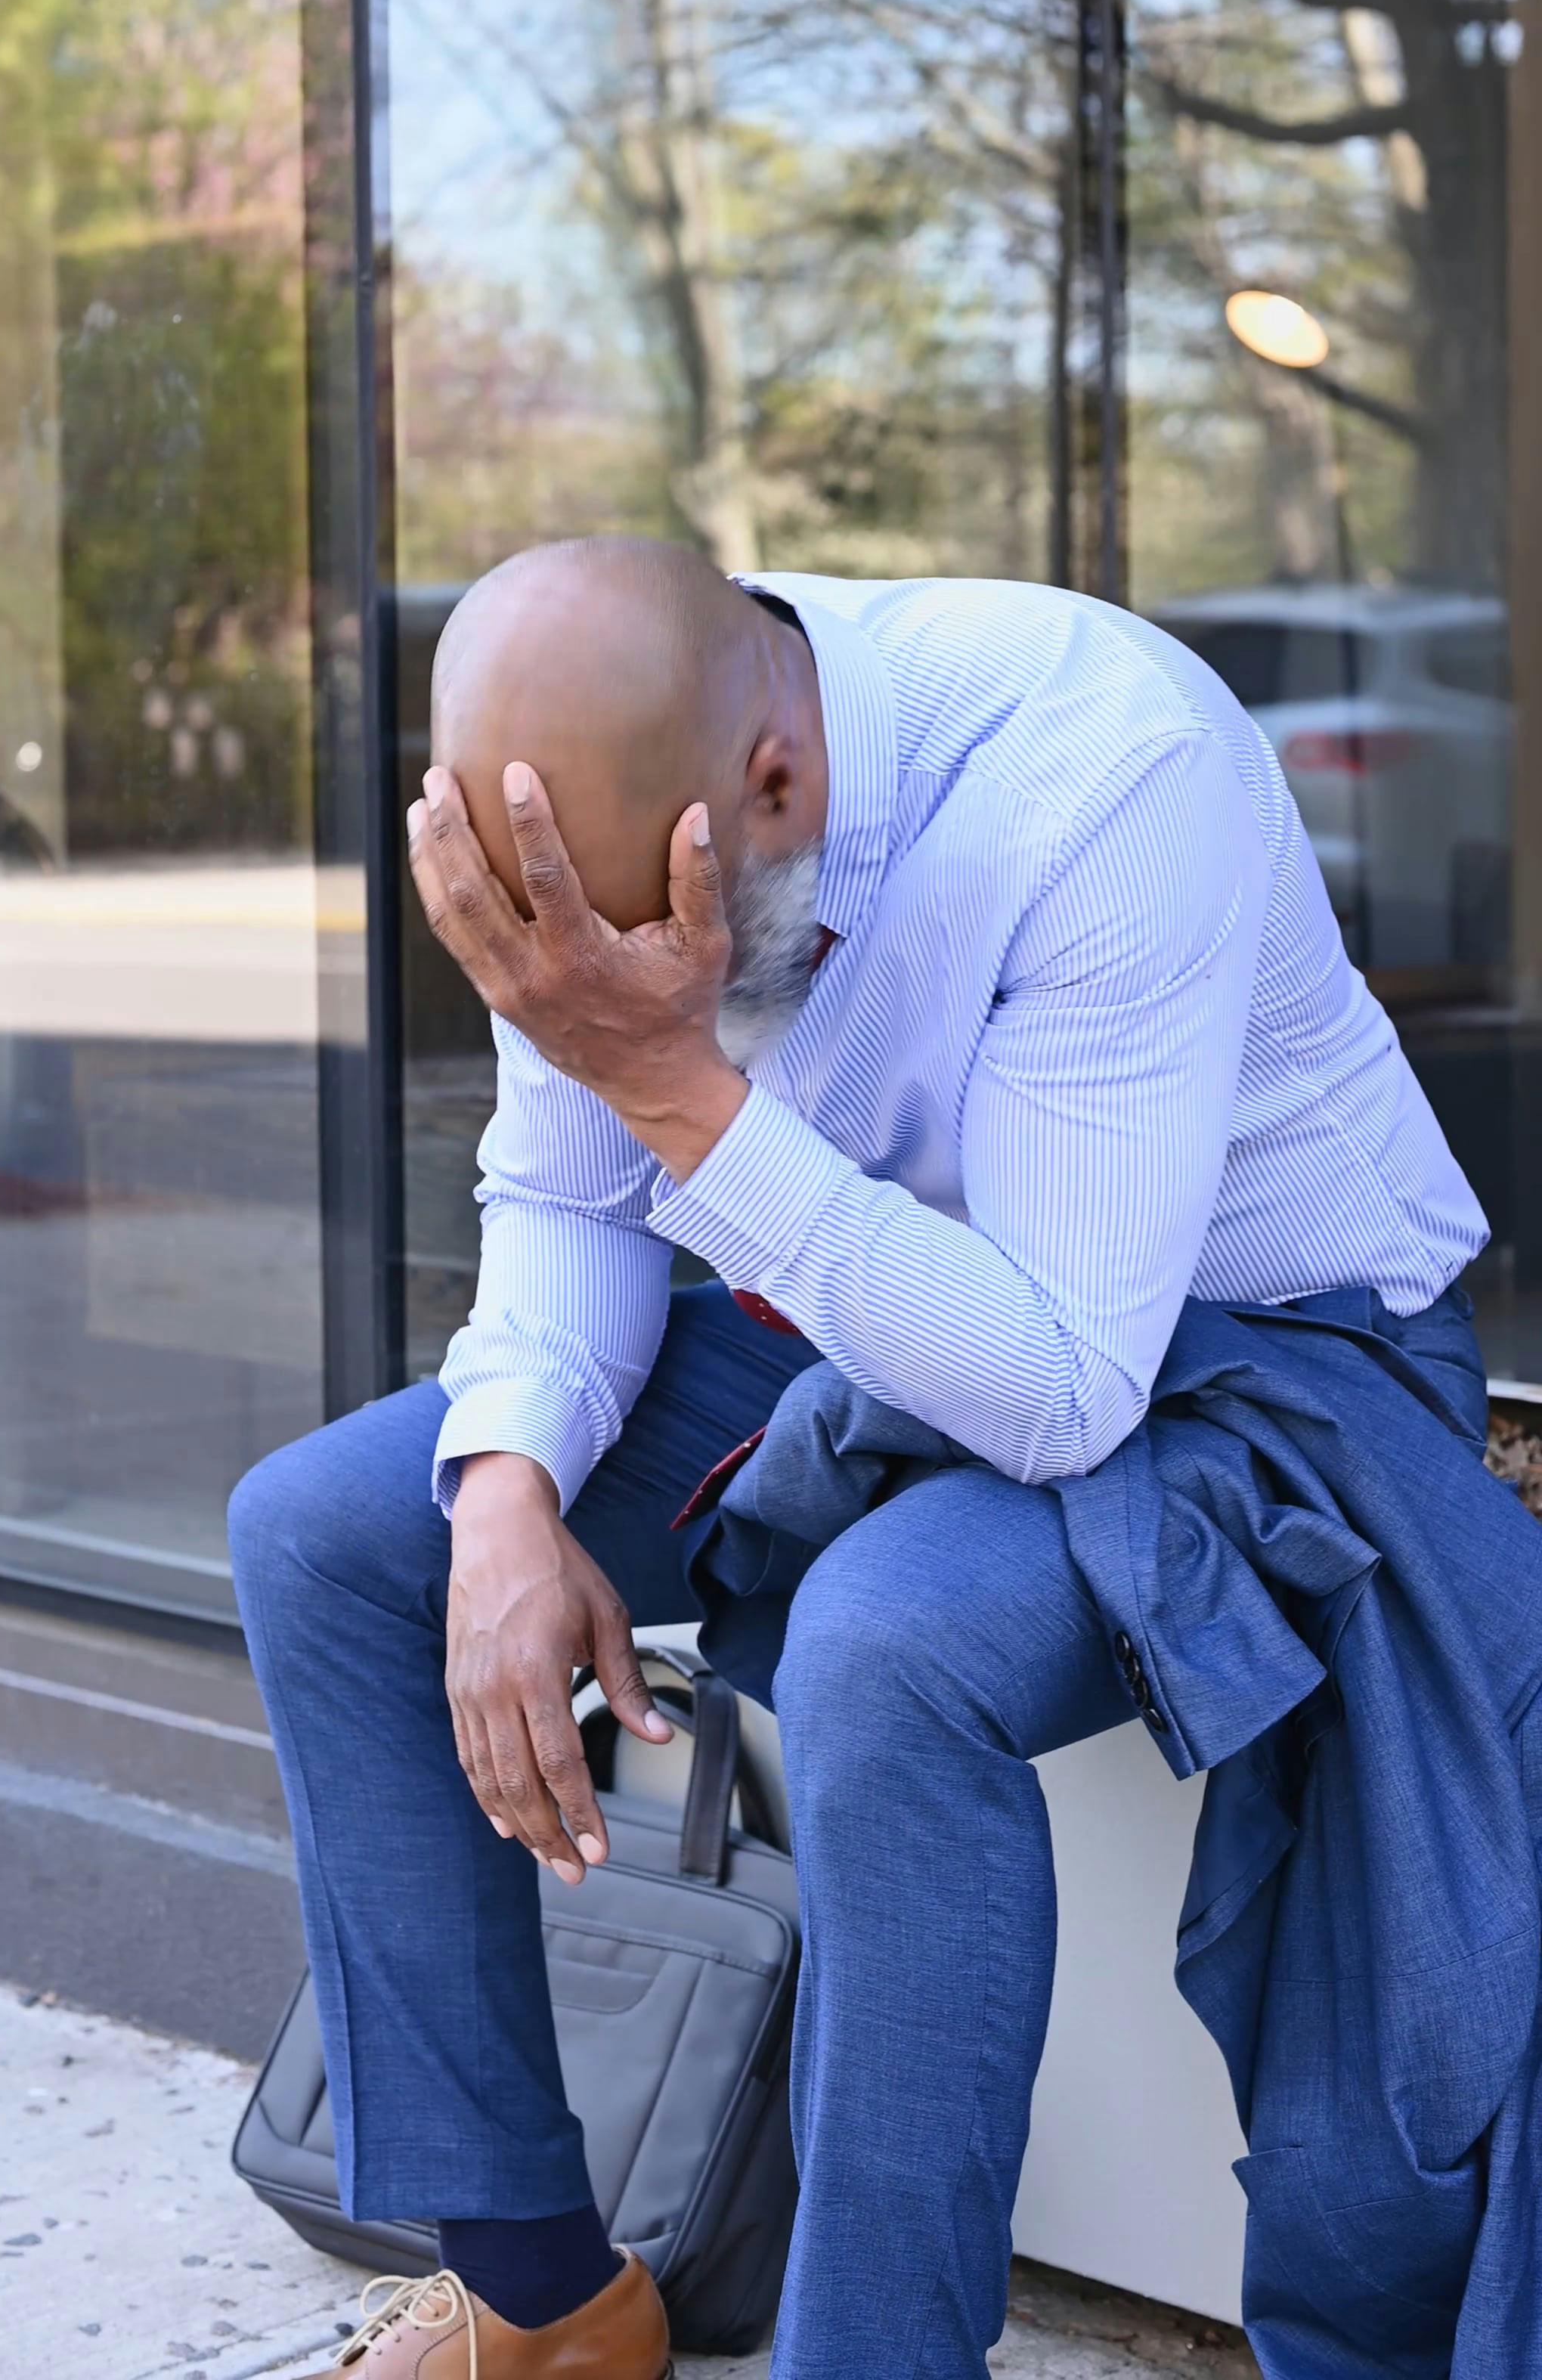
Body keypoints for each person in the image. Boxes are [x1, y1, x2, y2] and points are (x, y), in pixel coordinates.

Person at [229, 538, 1490, 2380]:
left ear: (780, 786)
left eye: (643, 961)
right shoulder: (615, 788)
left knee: (886, 1639)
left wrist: (664, 1080)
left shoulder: (1101, 769)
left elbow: (1066, 1385)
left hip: (1261, 1357)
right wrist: (503, 1492)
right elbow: (569, 1199)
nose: (594, 994)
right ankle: (548, 2305)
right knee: (336, 1534)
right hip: (868, 1312)